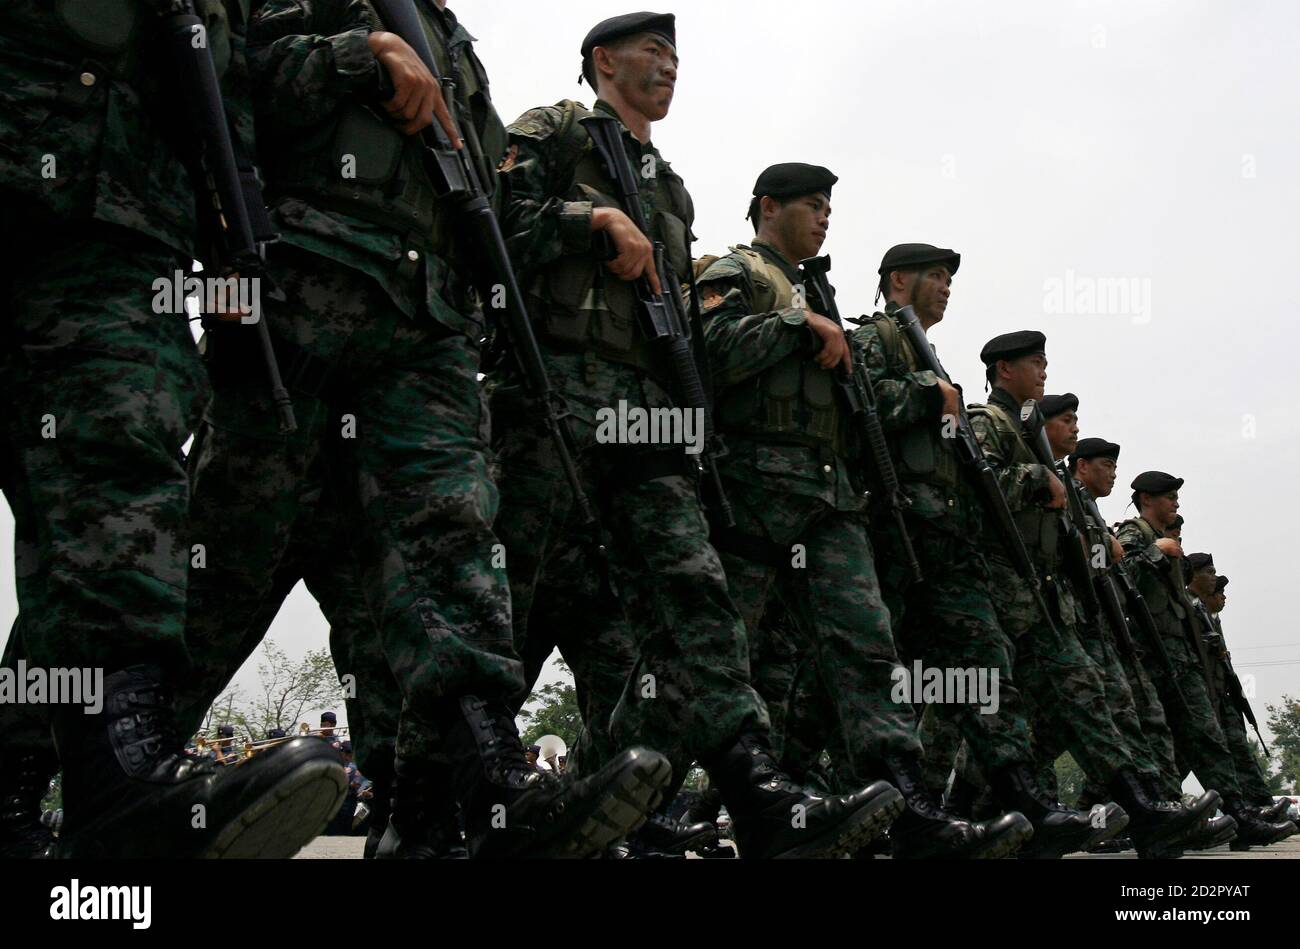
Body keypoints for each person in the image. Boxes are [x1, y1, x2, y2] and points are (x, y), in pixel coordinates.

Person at [173, 0, 669, 861]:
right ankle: (92, 778)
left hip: (424, 327)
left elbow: (489, 205)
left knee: (453, 550)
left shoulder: (456, 46)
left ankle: (491, 781)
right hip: (299, 294)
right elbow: (212, 81)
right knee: (225, 551)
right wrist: (352, 56)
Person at [491, 12, 898, 858]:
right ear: (604, 62)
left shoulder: (670, 188)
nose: (669, 67)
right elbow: (490, 222)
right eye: (653, 52)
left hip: (648, 421)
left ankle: (755, 792)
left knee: (698, 602)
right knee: (508, 602)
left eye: (677, 57)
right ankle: (455, 798)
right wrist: (588, 223)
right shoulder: (557, 129)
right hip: (554, 401)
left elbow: (682, 331)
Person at [0, 0, 347, 859]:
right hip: (49, 170)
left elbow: (219, 103)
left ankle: (101, 774)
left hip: (121, 229)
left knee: (106, 499)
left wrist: (232, 242)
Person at [696, 187, 1028, 859]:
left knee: (865, 652)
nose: (824, 217)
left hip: (831, 501)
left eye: (829, 207)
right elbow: (712, 348)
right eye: (812, 204)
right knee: (715, 650)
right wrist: (800, 329)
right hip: (755, 491)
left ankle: (905, 803)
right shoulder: (743, 274)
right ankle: (685, 801)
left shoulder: (827, 303)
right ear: (767, 206)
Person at [966, 338, 1207, 853]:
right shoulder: (988, 422)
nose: (1044, 372)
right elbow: (974, 484)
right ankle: (984, 808)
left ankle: (1140, 806)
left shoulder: (1033, 443)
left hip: (1045, 599)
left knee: (1085, 699)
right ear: (1004, 370)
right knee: (986, 706)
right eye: (1036, 364)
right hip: (998, 591)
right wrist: (1037, 479)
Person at [1116, 473, 1295, 845]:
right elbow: (1117, 577)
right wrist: (1155, 553)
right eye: (1169, 497)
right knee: (1160, 744)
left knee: (1204, 738)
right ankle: (1151, 823)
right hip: (1150, 658)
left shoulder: (1165, 542)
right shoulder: (1134, 535)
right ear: (1146, 499)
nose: (1176, 504)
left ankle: (1238, 815)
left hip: (1178, 660)